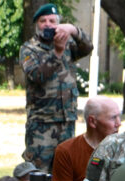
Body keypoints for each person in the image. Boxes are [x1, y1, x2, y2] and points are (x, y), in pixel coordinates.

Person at [19, 3, 93, 171]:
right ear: (36, 25)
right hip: (41, 123)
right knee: (39, 173)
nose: (47, 24)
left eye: (52, 20)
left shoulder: (67, 45)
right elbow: (37, 75)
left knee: (64, 171)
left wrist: (74, 30)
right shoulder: (28, 49)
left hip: (67, 121)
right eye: (42, 21)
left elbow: (88, 47)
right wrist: (57, 53)